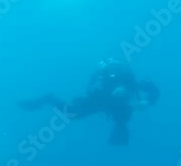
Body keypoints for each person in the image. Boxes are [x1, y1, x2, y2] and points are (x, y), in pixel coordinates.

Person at [17, 58, 160, 145]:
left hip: (113, 106)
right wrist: (110, 91)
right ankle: (49, 98)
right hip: (100, 100)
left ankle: (120, 132)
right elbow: (91, 89)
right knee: (72, 114)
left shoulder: (132, 84)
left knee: (122, 120)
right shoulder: (111, 80)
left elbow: (154, 90)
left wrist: (147, 102)